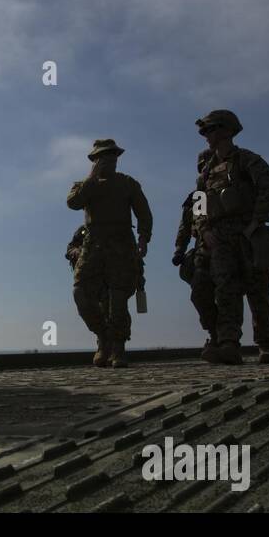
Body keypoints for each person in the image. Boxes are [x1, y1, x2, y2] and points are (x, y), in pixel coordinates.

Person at [188, 110, 269, 365]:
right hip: (217, 237)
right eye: (205, 131)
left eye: (211, 130)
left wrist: (256, 222)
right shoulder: (206, 172)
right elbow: (198, 204)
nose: (207, 136)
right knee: (222, 289)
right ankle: (228, 343)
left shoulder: (246, 160)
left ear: (227, 130)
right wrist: (204, 230)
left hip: (247, 235)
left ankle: (266, 345)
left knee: (257, 290)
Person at [67, 139, 152, 368]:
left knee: (117, 300)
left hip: (121, 246)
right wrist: (92, 180)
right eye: (103, 156)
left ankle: (118, 348)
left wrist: (144, 237)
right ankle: (103, 337)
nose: (109, 160)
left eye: (113, 155)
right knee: (80, 293)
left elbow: (144, 213)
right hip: (93, 245)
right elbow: (73, 203)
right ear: (94, 161)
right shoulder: (84, 185)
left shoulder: (127, 184)